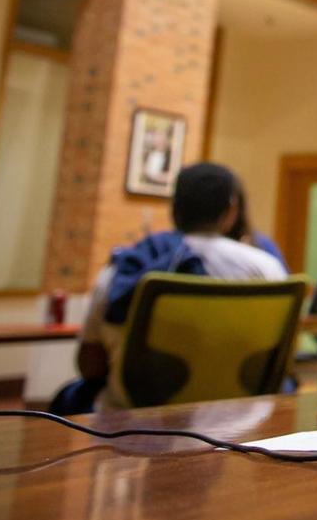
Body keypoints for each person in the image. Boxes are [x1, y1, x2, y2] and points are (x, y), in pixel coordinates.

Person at [63, 162, 287, 412]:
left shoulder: (126, 267)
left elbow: (90, 365)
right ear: (231, 210)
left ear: (175, 208)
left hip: (133, 424)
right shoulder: (268, 271)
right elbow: (279, 363)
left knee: (70, 397)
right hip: (240, 421)